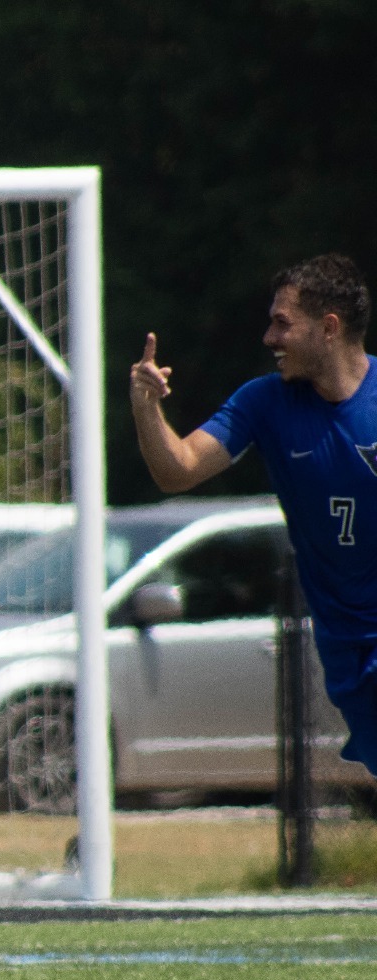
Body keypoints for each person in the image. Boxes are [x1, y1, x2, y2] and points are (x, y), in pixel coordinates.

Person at [131, 252, 377, 782]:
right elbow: (180, 470)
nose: (269, 337)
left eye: (282, 323)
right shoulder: (265, 403)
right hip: (343, 644)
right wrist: (146, 407)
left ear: (328, 328)